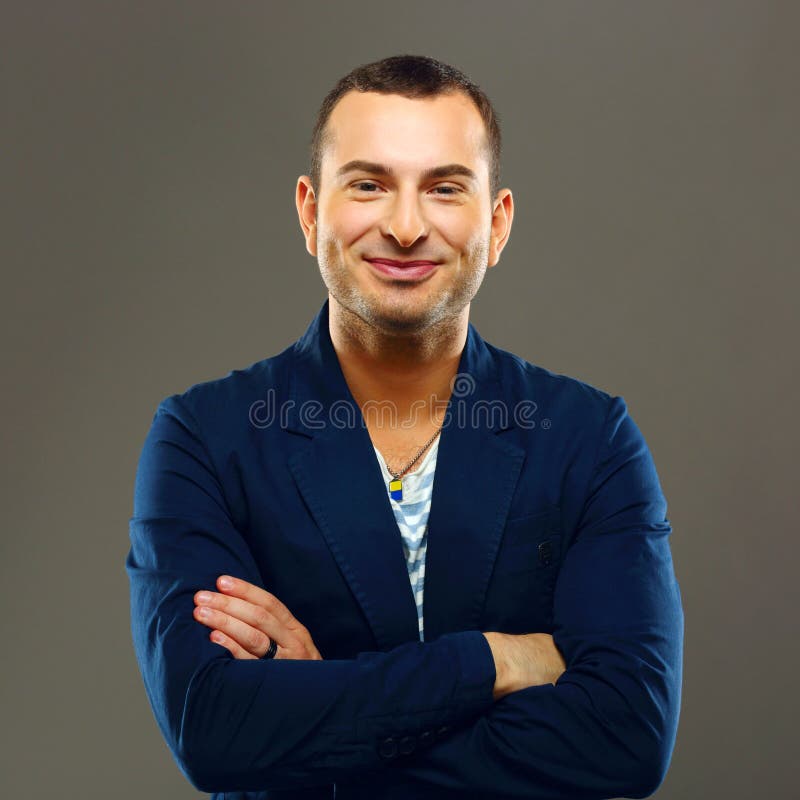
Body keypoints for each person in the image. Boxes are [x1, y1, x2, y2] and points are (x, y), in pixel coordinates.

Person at [126, 54, 683, 800]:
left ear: (497, 223)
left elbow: (628, 739)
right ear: (310, 211)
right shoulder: (204, 438)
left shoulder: (589, 437)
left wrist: (320, 709)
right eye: (368, 184)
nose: (405, 226)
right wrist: (496, 662)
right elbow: (217, 733)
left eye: (444, 188)